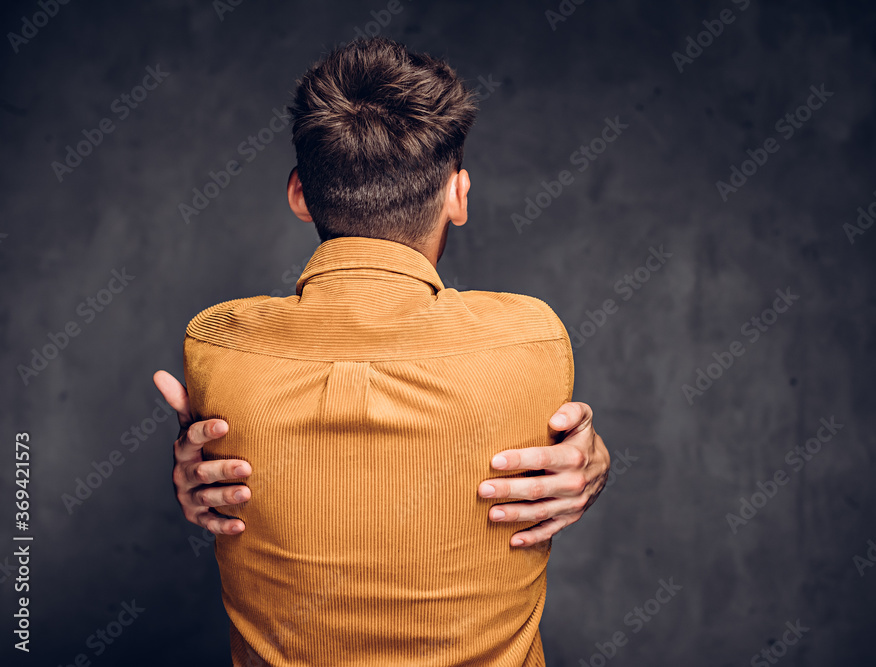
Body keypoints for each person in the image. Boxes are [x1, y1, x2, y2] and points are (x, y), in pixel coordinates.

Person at [157, 36, 610, 666]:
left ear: (298, 193)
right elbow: (561, 443)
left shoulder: (218, 345)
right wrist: (596, 460)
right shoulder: (530, 338)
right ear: (459, 194)